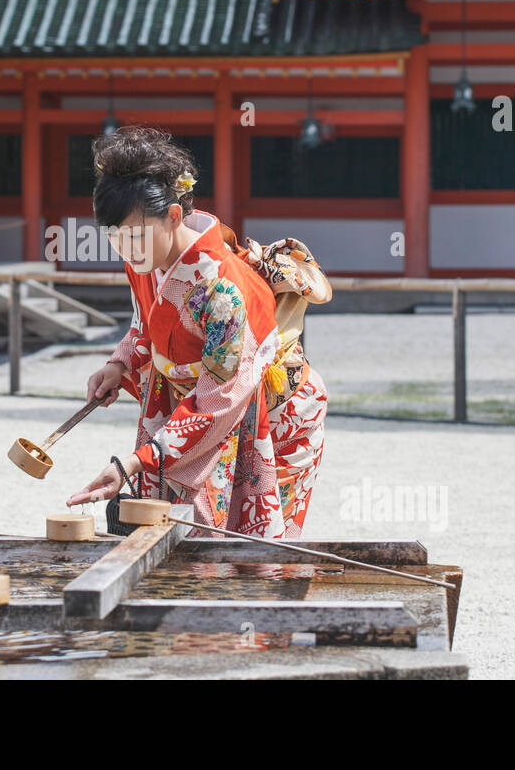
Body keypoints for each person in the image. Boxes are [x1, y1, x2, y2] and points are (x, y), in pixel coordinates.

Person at [66, 126, 332, 538]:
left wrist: (135, 463)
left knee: (254, 551)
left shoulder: (220, 287)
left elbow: (217, 399)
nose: (124, 248)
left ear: (174, 216)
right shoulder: (145, 256)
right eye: (114, 237)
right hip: (203, 408)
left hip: (272, 415)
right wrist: (119, 364)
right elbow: (146, 324)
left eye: (134, 235)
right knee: (190, 540)